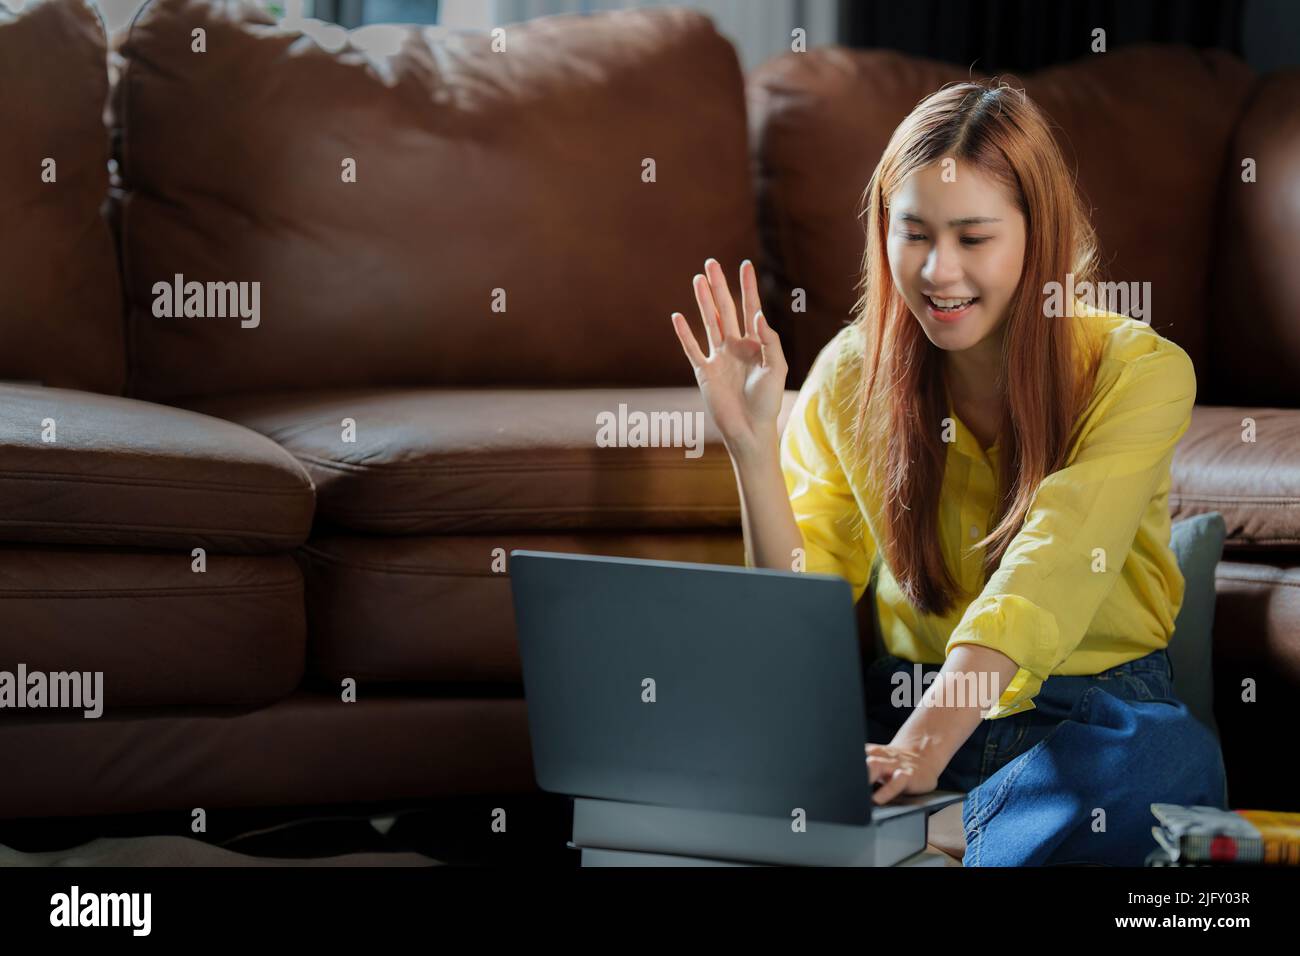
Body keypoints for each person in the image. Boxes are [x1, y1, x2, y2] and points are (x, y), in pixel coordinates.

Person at [669, 79, 1227, 866]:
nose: (938, 271)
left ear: (1041, 237)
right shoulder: (846, 375)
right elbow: (801, 612)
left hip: (1088, 718)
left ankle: (945, 834)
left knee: (1171, 769)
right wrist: (751, 443)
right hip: (900, 706)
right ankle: (957, 834)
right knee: (713, 745)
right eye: (914, 234)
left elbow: (1044, 576)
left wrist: (921, 759)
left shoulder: (1139, 371)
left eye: (973, 237)